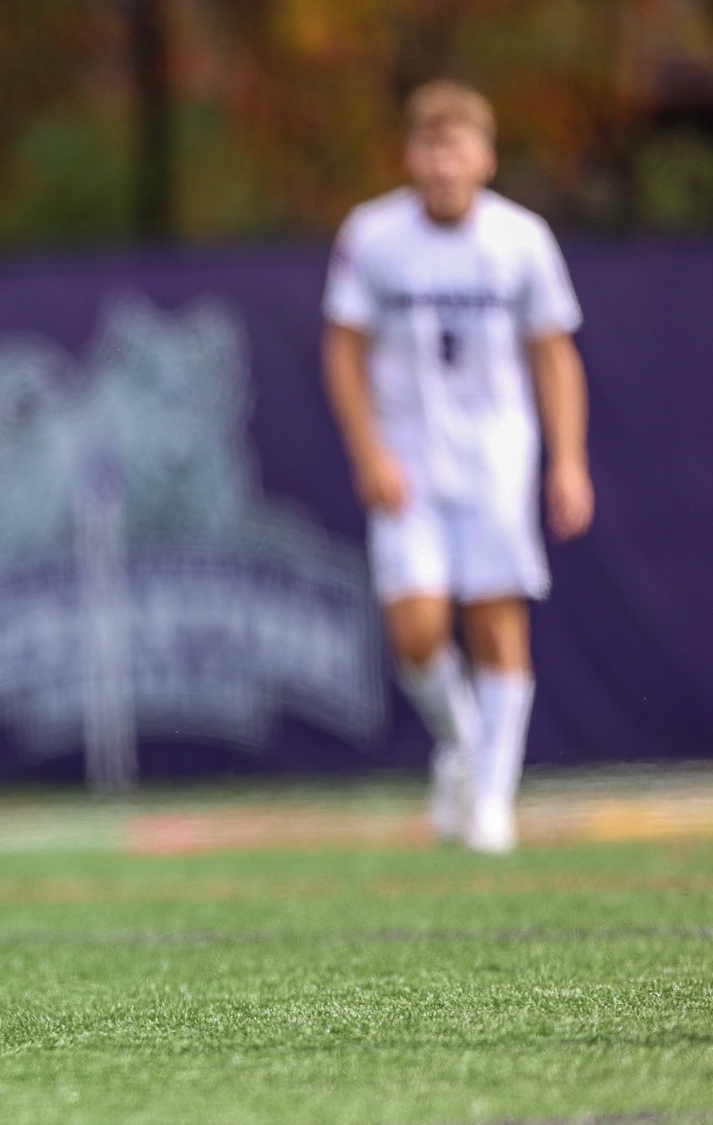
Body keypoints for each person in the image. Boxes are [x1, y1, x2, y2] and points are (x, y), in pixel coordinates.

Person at [322, 80, 594, 854]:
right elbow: (344, 347)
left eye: (457, 149)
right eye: (430, 148)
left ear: (485, 157)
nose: (443, 166)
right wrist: (369, 450)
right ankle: (464, 745)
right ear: (410, 156)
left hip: (495, 453)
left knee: (497, 615)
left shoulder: (520, 239)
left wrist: (567, 459)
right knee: (416, 628)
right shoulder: (373, 235)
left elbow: (553, 353)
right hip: (408, 454)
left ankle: (494, 799)